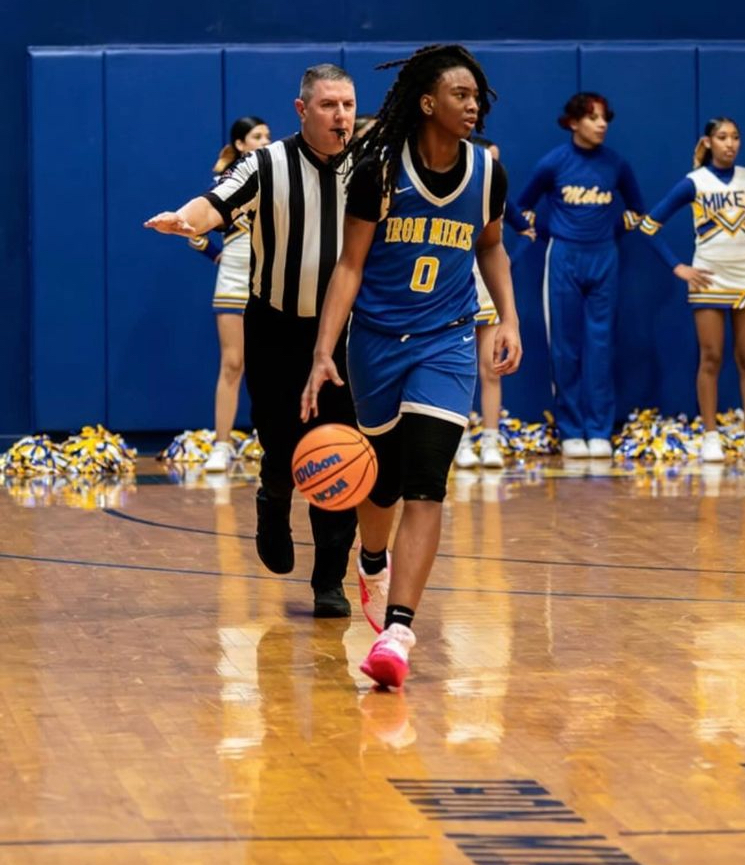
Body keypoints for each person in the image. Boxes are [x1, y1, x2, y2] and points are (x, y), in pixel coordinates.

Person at [300, 44, 522, 689]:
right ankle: (372, 559)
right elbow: (350, 265)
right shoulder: (378, 172)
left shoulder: (488, 173)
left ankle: (398, 630)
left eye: (477, 96)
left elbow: (493, 250)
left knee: (428, 480)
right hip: (374, 339)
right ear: (428, 102)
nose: (473, 104)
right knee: (381, 482)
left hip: (447, 339)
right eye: (461, 94)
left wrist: (506, 319)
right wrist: (322, 353)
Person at [145, 64, 359, 618]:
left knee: (341, 445)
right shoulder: (266, 164)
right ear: (301, 109)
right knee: (283, 439)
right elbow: (212, 204)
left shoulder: (368, 165)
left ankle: (329, 579)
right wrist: (184, 220)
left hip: (344, 333)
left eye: (348, 105)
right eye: (329, 105)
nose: (341, 116)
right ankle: (273, 496)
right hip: (276, 324)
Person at [640, 116, 745, 463]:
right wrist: (679, 267)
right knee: (711, 357)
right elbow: (649, 226)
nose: (731, 144)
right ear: (708, 142)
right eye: (723, 137)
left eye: (736, 137)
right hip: (708, 277)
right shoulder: (694, 182)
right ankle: (709, 436)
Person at [517, 93, 645, 459]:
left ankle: (599, 430)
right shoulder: (553, 164)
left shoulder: (616, 165)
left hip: (605, 257)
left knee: (601, 347)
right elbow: (521, 208)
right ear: (573, 122)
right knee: (566, 347)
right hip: (563, 258)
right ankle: (571, 429)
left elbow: (637, 210)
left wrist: (608, 233)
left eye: (605, 118)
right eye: (593, 118)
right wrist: (552, 231)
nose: (602, 124)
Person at [188, 116, 272, 472]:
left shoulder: (278, 178)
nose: (266, 140)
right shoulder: (226, 182)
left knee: (271, 367)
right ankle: (221, 445)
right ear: (240, 144)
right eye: (257, 136)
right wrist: (216, 254)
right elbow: (193, 230)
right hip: (234, 278)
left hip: (270, 278)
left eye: (268, 135)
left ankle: (275, 444)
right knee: (233, 363)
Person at [454, 136, 535, 469]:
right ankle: (458, 443)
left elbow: (527, 232)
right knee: (456, 372)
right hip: (454, 284)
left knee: (491, 369)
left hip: (485, 287)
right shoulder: (453, 193)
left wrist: (509, 261)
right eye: (489, 159)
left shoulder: (496, 196)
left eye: (497, 161)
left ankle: (489, 440)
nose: (493, 167)